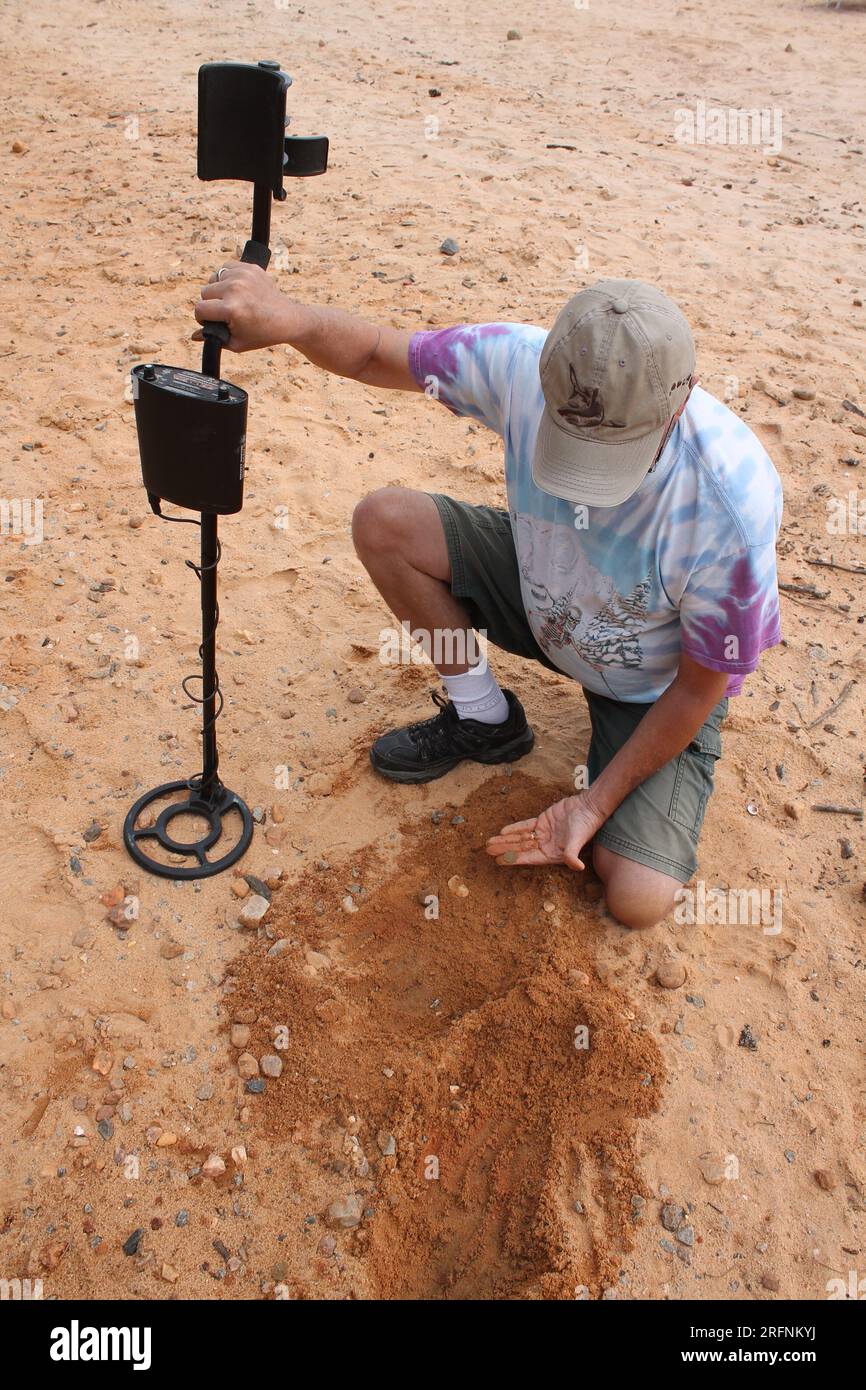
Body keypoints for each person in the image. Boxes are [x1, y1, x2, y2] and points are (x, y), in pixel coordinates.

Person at [194, 271, 782, 929]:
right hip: (543, 595)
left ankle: (614, 769)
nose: (585, 489)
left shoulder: (730, 501)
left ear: (680, 405)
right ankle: (484, 716)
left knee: (638, 897)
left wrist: (590, 807)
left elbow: (701, 688)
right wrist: (290, 318)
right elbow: (376, 353)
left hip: (649, 685)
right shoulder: (519, 361)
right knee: (386, 524)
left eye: (610, 459)